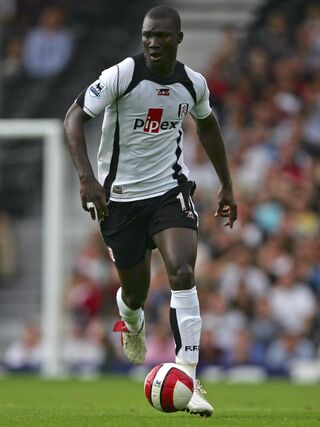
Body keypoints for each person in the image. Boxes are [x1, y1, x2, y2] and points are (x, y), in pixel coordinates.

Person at [64, 5, 237, 417]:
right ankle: (131, 317)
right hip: (118, 200)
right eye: (147, 36)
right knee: (136, 292)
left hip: (168, 191)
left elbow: (208, 125)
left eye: (161, 36)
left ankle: (190, 377)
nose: (153, 43)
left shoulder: (192, 84)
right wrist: (87, 179)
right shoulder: (122, 75)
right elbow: (73, 118)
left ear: (178, 38)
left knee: (182, 272)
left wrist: (227, 184)